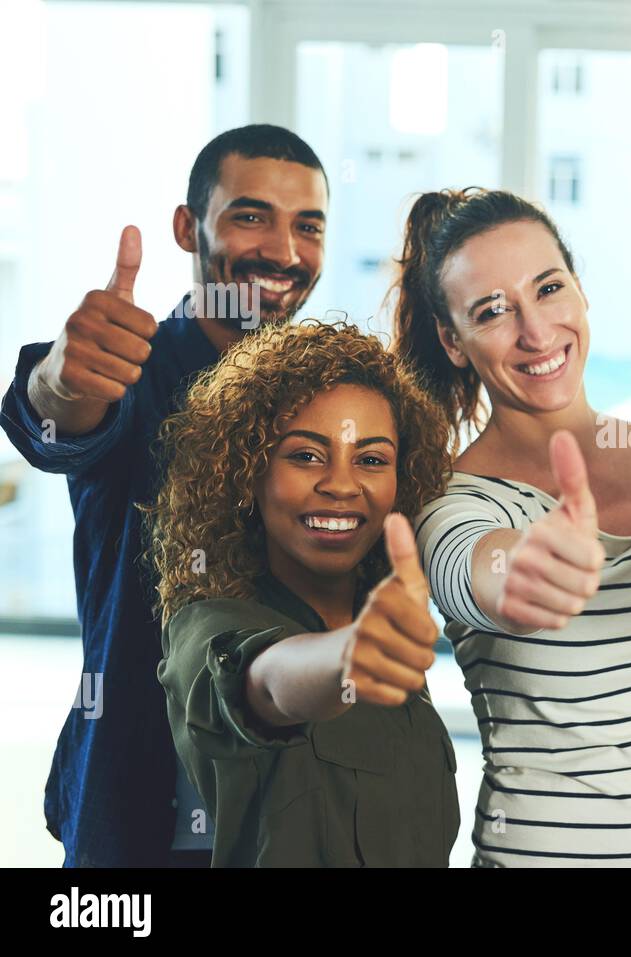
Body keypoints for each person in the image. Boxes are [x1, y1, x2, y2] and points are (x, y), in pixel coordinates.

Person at [395, 188, 631, 867]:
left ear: (580, 291)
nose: (536, 332)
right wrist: (527, 569)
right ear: (452, 341)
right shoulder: (450, 501)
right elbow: (475, 569)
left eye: (548, 289)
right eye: (492, 311)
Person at [0, 125, 328, 866]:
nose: (284, 250)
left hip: (288, 811)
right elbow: (54, 420)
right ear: (188, 227)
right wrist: (62, 381)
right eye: (252, 216)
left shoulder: (325, 395)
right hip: (142, 812)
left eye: (308, 226)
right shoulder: (132, 371)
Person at [148, 321, 458, 867]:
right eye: (307, 455)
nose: (340, 484)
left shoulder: (384, 624)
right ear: (248, 473)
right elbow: (268, 683)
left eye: (371, 459)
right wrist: (349, 654)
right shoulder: (207, 628)